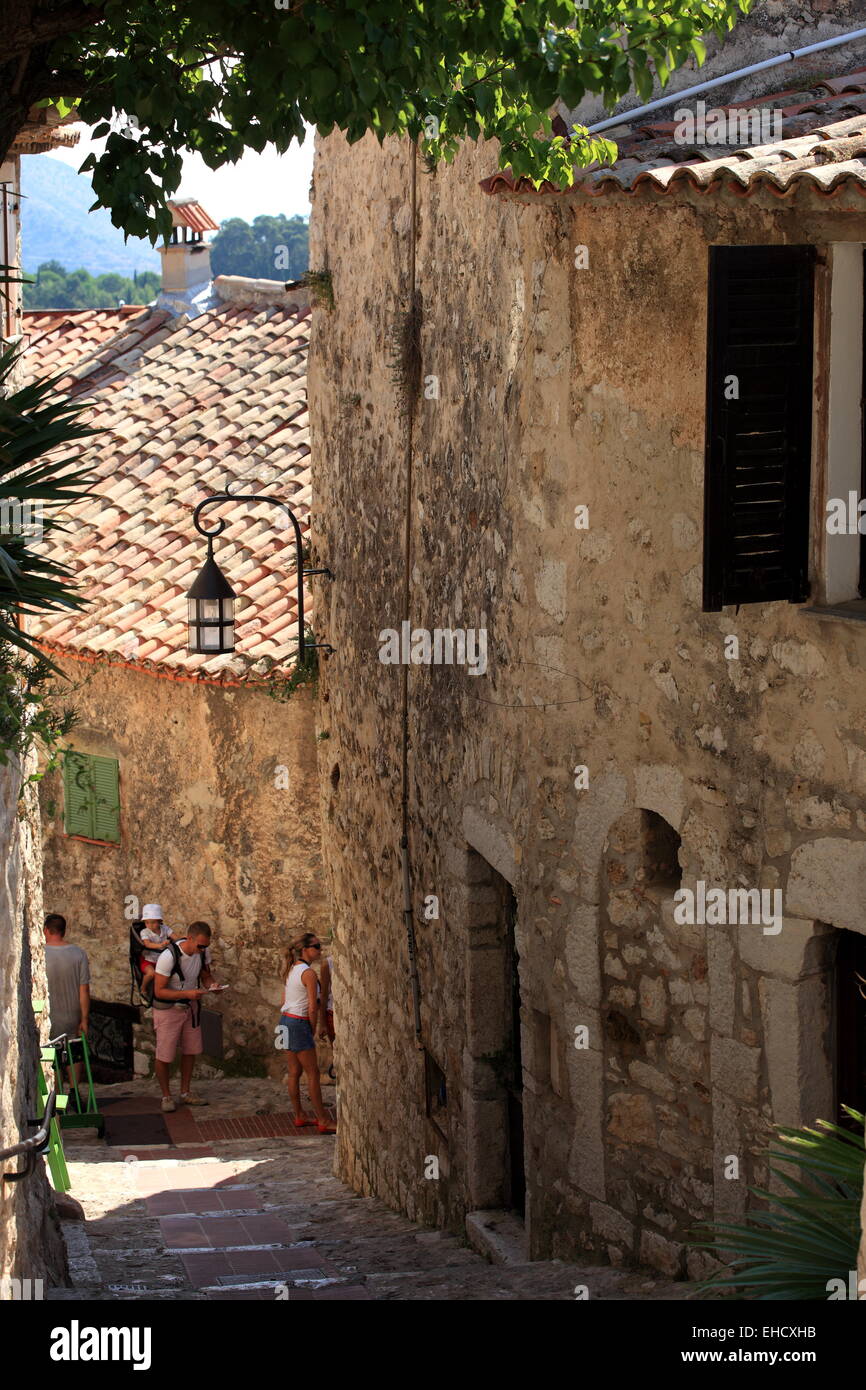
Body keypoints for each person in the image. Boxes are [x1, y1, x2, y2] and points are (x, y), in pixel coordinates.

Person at [152, 920, 219, 1113]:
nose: (203, 949)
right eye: (200, 945)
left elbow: (206, 975)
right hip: (169, 1008)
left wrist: (212, 985)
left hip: (191, 1007)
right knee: (164, 1053)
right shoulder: (168, 957)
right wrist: (187, 994)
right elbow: (159, 991)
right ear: (189, 938)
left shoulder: (203, 952)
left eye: (206, 946)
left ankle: (185, 1092)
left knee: (191, 1050)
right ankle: (166, 1095)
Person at [279, 932, 336, 1133]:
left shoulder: (291, 969)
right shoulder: (308, 973)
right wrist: (312, 1028)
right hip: (299, 1022)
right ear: (305, 949)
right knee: (313, 1073)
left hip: (285, 1020)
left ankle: (299, 1115)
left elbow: (284, 999)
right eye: (316, 946)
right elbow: (313, 1006)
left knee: (294, 1072)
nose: (320, 950)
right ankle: (323, 1119)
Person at [43, 913, 90, 1087]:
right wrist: (84, 1019)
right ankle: (74, 1092)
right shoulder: (78, 954)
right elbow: (83, 989)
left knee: (52, 1057)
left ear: (46, 930)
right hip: (71, 1015)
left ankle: (58, 1099)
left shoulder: (41, 953)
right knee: (73, 1053)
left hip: (49, 1016)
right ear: (64, 931)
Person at [137, 903, 181, 986]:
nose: (150, 925)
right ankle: (143, 988)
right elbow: (147, 944)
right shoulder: (144, 932)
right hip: (148, 960)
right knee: (151, 974)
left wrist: (182, 940)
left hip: (162, 960)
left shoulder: (165, 928)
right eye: (147, 923)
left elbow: (175, 937)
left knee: (168, 975)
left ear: (160, 921)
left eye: (153, 922)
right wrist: (160, 945)